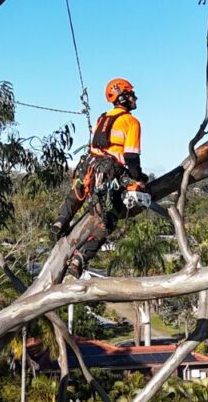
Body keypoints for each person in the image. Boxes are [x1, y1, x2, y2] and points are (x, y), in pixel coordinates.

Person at [53, 77, 151, 277]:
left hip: (88, 165)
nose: (135, 98)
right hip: (109, 171)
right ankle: (81, 258)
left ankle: (60, 222)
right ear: (123, 96)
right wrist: (138, 179)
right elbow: (131, 157)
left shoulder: (102, 118)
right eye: (131, 94)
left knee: (77, 194)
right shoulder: (131, 122)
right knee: (109, 218)